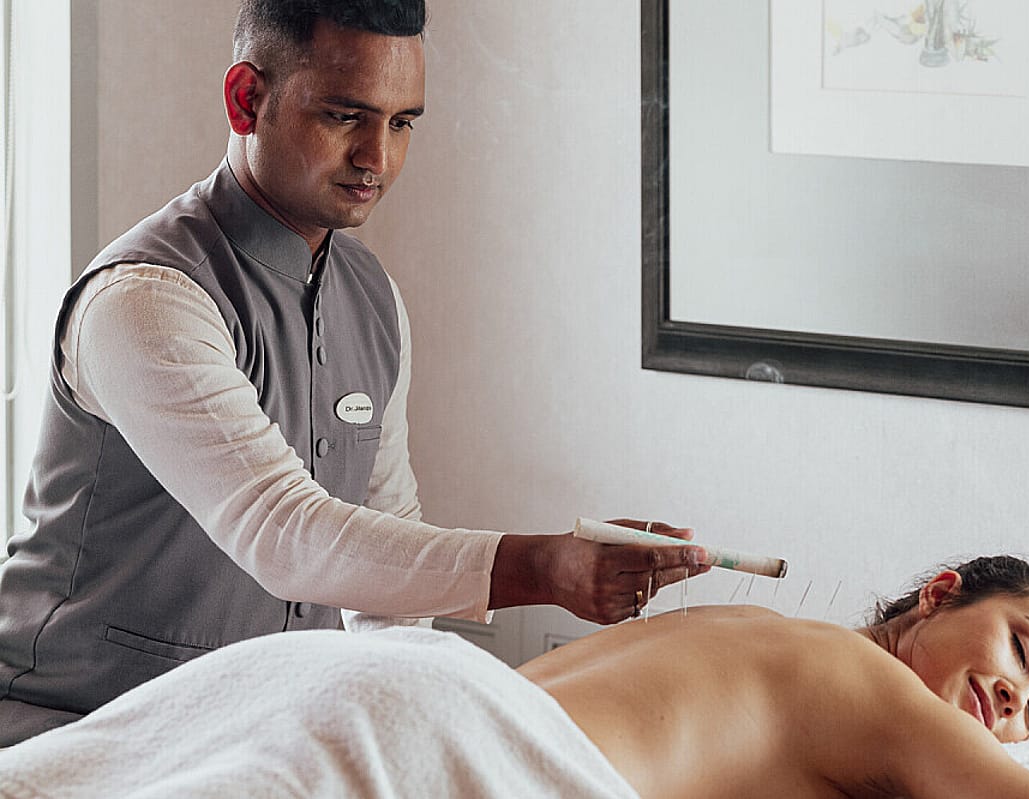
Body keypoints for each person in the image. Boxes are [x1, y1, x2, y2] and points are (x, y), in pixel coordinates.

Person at [0, 0, 707, 746]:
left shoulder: (374, 299)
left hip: (258, 740)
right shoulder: (144, 300)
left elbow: (388, 545)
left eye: (401, 123)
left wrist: (411, 719)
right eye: (345, 117)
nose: (378, 157)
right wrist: (545, 566)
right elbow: (282, 532)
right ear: (247, 99)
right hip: (71, 730)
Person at [0, 555, 1029, 798]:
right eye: (1020, 650)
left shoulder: (757, 631)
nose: (1016, 704)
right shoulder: (868, 691)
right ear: (939, 591)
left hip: (349, 677)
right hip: (458, 738)